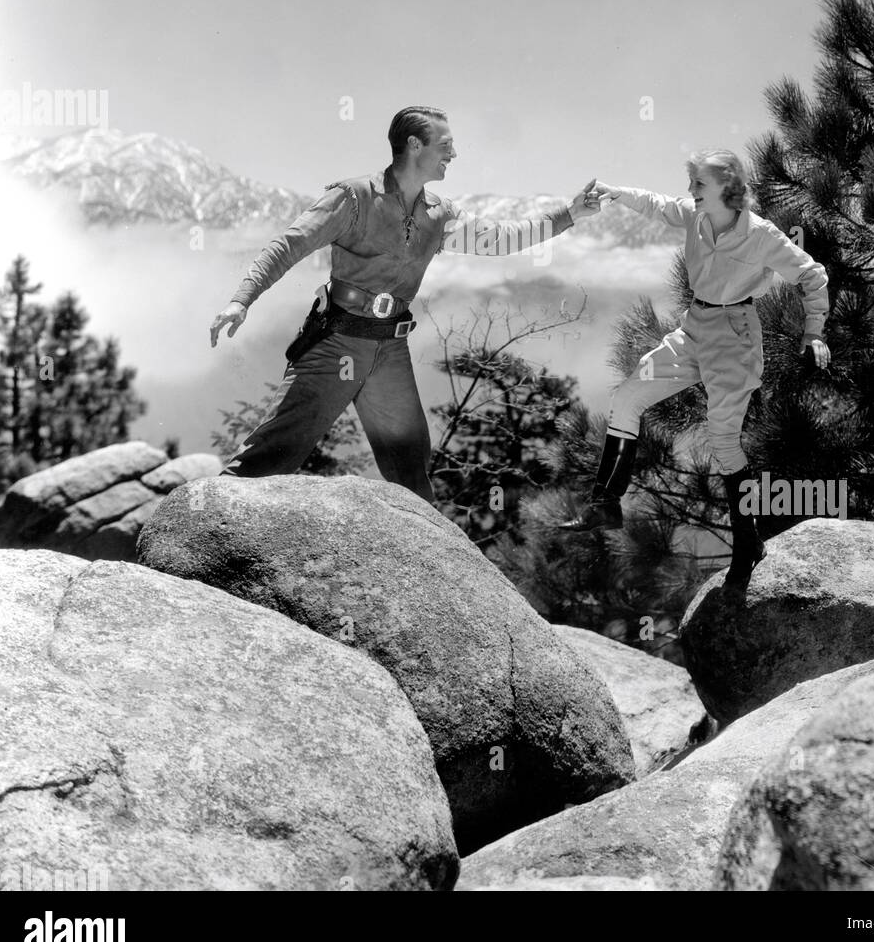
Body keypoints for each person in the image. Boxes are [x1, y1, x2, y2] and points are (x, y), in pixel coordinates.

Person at [209, 106, 600, 503]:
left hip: (390, 349)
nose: (454, 154)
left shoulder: (439, 214)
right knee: (268, 458)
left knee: (411, 477)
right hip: (336, 343)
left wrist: (570, 214)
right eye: (446, 145)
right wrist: (241, 300)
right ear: (415, 145)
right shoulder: (353, 198)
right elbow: (288, 245)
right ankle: (201, 529)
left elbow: (501, 238)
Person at [561, 150, 831, 588]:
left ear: (729, 187)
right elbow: (655, 203)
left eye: (699, 185)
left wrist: (813, 333)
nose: (690, 193)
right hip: (694, 328)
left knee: (724, 440)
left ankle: (748, 542)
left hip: (736, 337)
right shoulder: (695, 216)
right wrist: (616, 192)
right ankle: (605, 504)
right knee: (627, 397)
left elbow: (811, 275)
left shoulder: (761, 235)